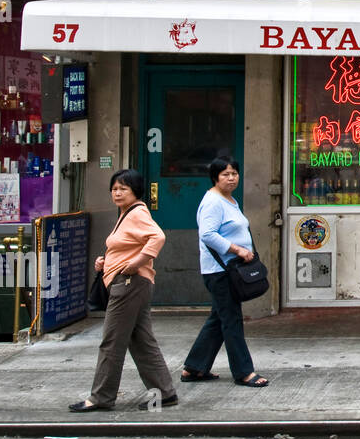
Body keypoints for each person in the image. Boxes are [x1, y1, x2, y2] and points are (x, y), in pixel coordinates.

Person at [69, 170, 177, 412]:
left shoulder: (136, 213)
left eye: (123, 189)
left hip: (129, 285)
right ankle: (165, 393)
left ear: (135, 191)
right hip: (132, 285)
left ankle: (101, 397)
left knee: (112, 342)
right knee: (142, 342)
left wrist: (135, 263)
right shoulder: (126, 214)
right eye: (114, 189)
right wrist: (106, 262)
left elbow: (157, 237)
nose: (117, 193)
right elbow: (126, 245)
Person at [181, 157, 269, 387]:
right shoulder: (213, 202)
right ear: (214, 177)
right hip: (220, 271)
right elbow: (207, 234)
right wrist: (237, 249)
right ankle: (244, 372)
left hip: (229, 269)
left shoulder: (228, 199)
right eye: (225, 174)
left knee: (219, 318)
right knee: (231, 320)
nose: (231, 178)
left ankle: (195, 367)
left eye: (234, 174)